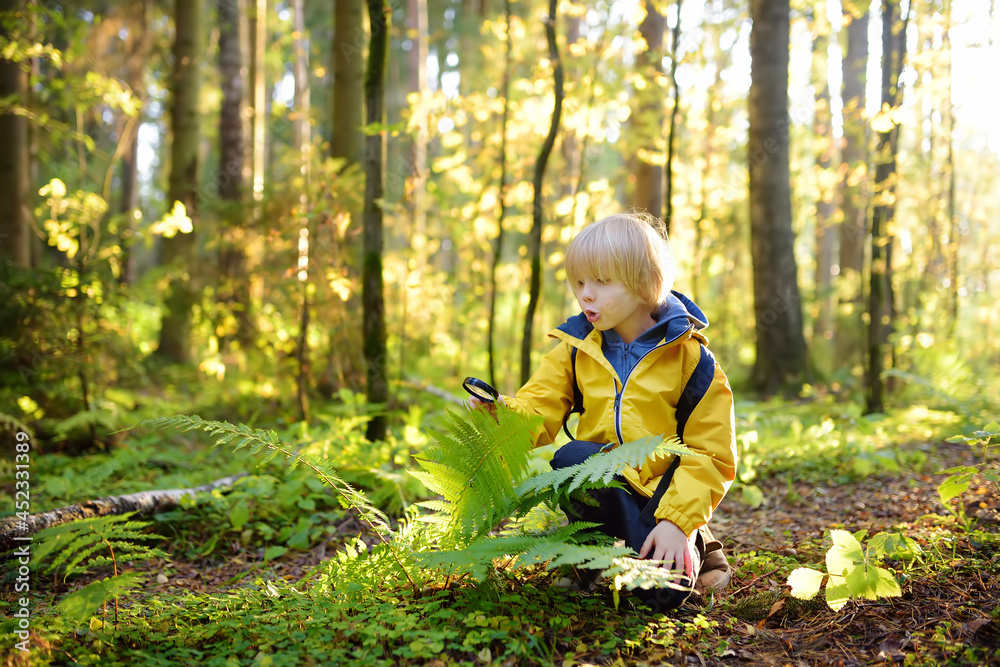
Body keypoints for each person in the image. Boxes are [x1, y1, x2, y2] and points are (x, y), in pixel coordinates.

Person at [469, 211, 737, 612]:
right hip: (600, 484)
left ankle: (695, 542)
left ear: (645, 281)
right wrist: (502, 415)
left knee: (660, 595)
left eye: (601, 281)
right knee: (573, 458)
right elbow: (538, 405)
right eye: (579, 282)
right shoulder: (576, 349)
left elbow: (712, 454)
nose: (585, 295)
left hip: (660, 499)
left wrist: (676, 521)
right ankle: (590, 549)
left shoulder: (692, 361)